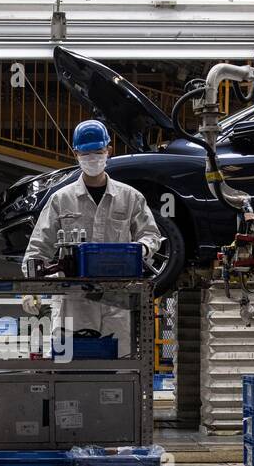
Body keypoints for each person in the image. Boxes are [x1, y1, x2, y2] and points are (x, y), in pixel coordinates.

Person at [21, 119, 162, 357]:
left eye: (98, 151)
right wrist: (29, 286)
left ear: (109, 150)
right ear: (75, 153)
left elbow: (151, 235)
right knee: (73, 371)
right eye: (86, 153)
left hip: (117, 300)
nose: (93, 158)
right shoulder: (61, 199)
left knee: (119, 370)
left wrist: (138, 250)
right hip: (73, 302)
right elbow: (38, 248)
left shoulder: (130, 198)